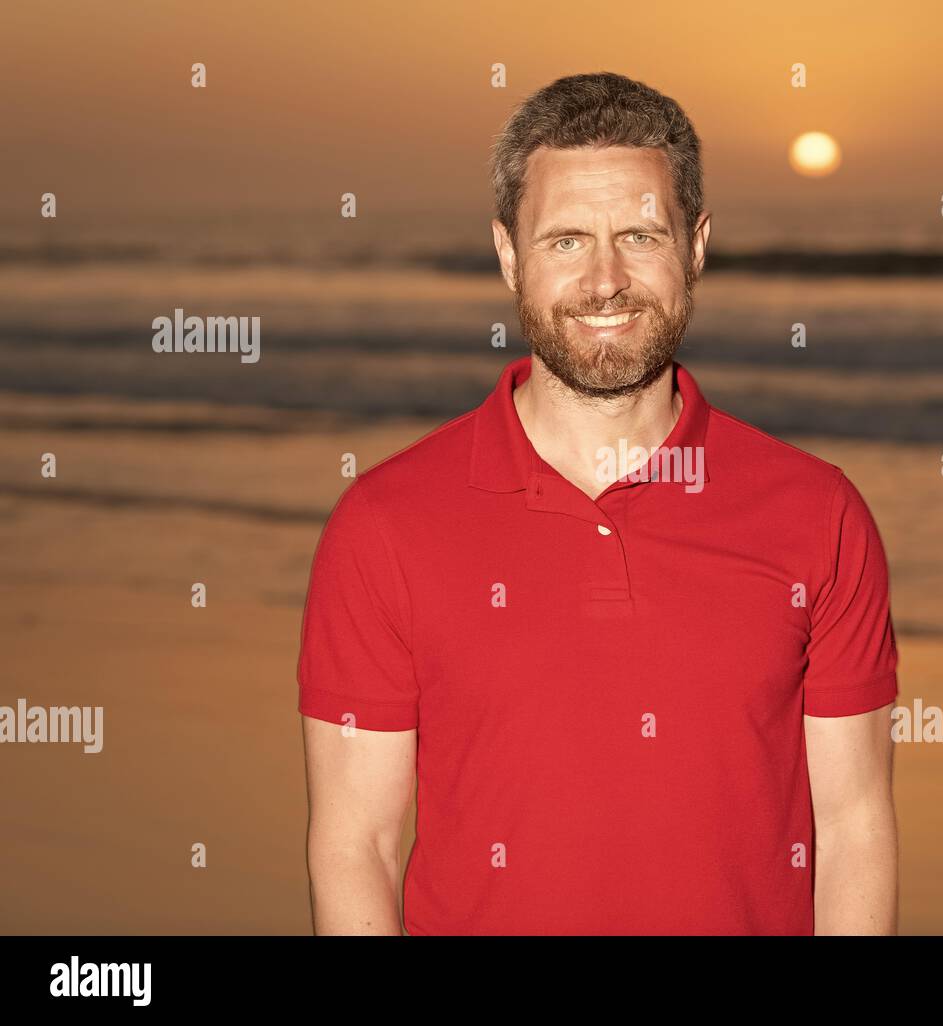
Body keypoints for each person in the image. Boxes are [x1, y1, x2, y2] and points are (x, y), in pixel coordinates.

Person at [298, 71, 899, 935]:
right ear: (509, 252)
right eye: (567, 240)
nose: (607, 279)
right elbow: (357, 843)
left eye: (640, 235)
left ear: (696, 244)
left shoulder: (819, 515)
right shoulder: (384, 526)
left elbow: (854, 831)